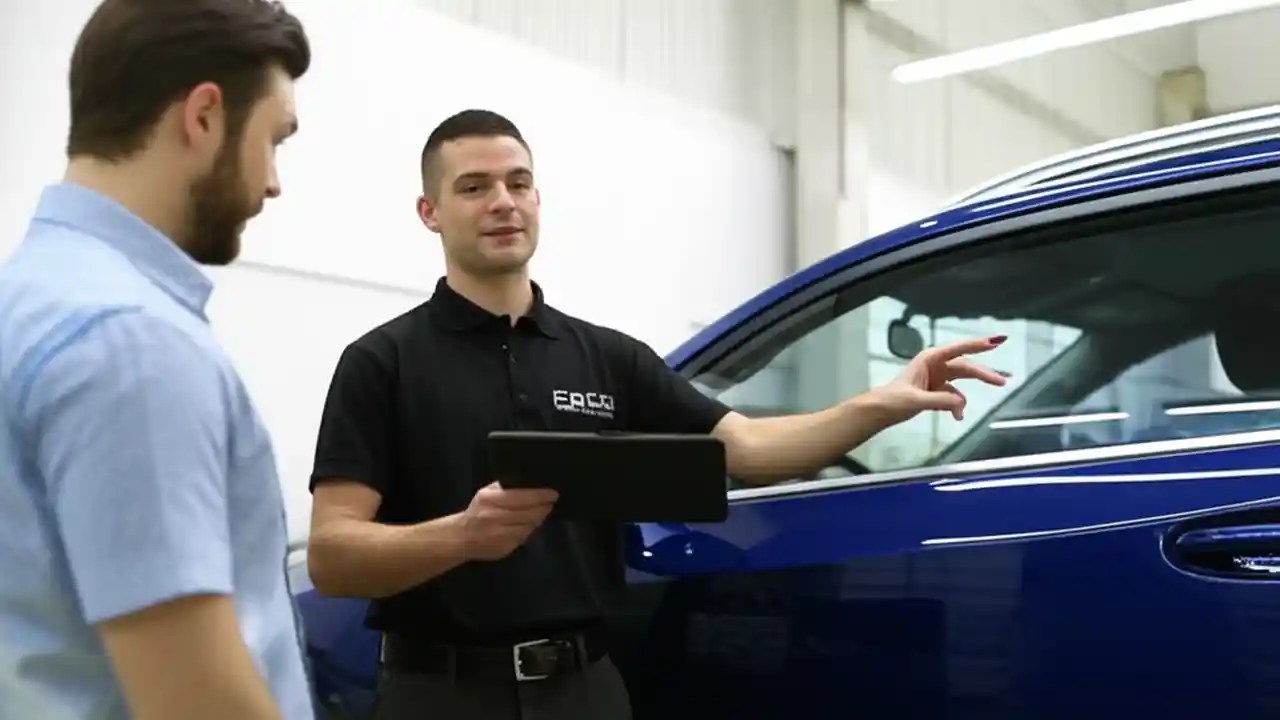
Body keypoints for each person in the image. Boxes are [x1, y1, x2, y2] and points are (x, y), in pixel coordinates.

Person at [306, 109, 1007, 719]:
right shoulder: (383, 363)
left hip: (583, 693)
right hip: (438, 698)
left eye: (518, 183)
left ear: (539, 199)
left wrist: (880, 404)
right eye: (474, 187)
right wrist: (462, 535)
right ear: (429, 212)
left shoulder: (608, 358)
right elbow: (334, 557)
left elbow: (756, 449)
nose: (503, 202)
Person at [0, 2, 315, 719]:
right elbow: (197, 705)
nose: (273, 183)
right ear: (203, 116)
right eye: (274, 140)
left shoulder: (24, 302)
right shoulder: (131, 344)